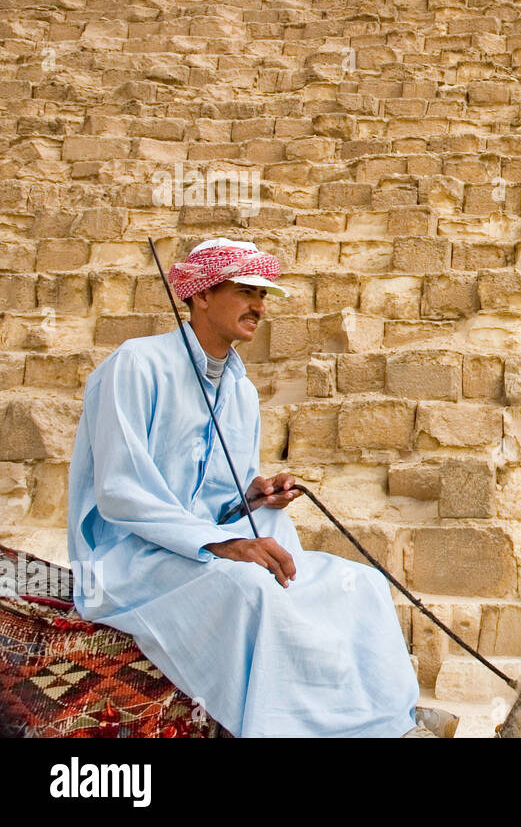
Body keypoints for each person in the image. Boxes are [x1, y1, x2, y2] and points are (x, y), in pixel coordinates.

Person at [66, 238, 450, 737]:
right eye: (246, 291)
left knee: (364, 586)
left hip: (206, 545)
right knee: (252, 590)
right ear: (202, 294)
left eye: (264, 295)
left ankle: (387, 723)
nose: (259, 306)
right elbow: (121, 491)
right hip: (132, 556)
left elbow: (221, 498)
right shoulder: (137, 364)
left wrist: (254, 497)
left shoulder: (241, 391)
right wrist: (222, 542)